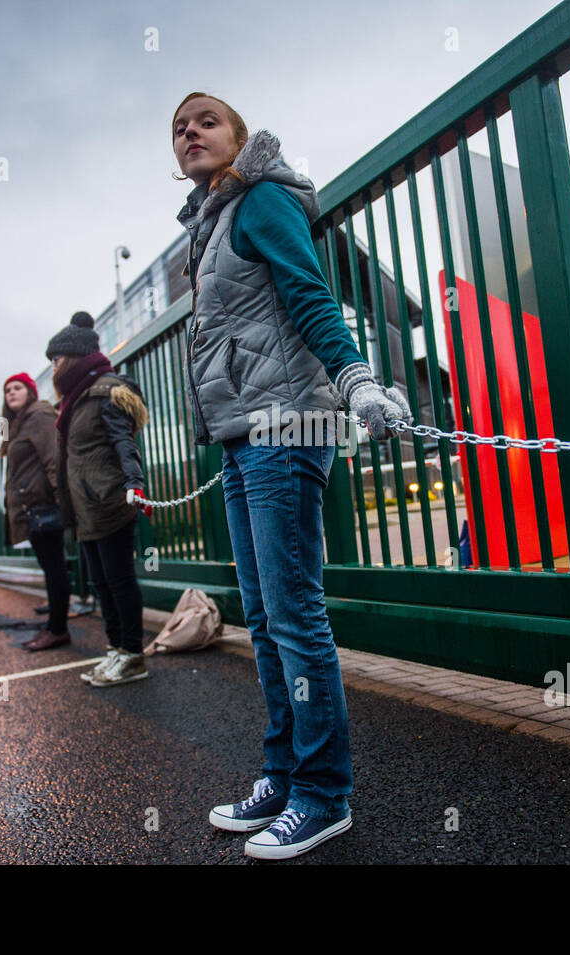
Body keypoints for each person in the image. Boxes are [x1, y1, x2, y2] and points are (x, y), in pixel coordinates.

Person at [171, 93, 411, 860]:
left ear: (239, 138)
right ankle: (281, 775)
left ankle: (322, 794)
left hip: (287, 427)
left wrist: (356, 377)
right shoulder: (206, 231)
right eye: (178, 128)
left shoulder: (263, 199)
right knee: (267, 619)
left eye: (206, 120)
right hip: (243, 437)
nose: (190, 133)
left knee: (295, 616)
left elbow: (311, 293)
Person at [46, 311, 152, 685]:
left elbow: (125, 442)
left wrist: (134, 483)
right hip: (84, 508)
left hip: (109, 501)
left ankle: (133, 655)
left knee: (119, 580)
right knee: (100, 583)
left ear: (72, 357)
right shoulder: (75, 399)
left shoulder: (107, 391)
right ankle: (116, 650)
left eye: (57, 359)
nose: (54, 366)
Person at [0, 372, 72, 651]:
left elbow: (53, 460)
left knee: (55, 569)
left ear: (30, 391)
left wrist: (59, 501)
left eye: (17, 388)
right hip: (33, 508)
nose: (12, 393)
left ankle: (58, 629)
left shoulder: (39, 416)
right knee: (50, 568)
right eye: (7, 390)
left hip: (45, 506)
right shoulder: (19, 424)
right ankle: (54, 625)